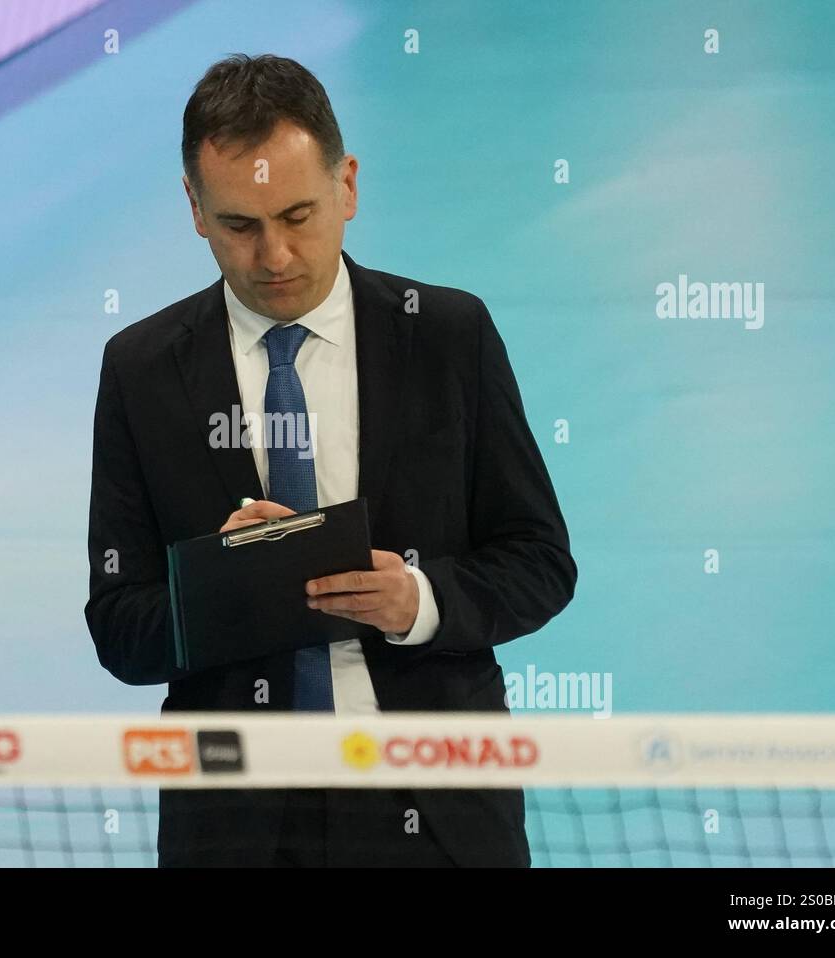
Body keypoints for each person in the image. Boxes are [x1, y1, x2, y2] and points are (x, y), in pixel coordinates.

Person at [85, 53, 576, 867]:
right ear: (194, 209)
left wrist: (416, 599)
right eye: (240, 224)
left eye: (298, 214)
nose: (273, 255)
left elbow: (539, 563)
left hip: (438, 807)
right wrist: (224, 586)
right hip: (237, 826)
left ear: (348, 186)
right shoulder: (141, 371)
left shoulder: (449, 336)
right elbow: (119, 627)